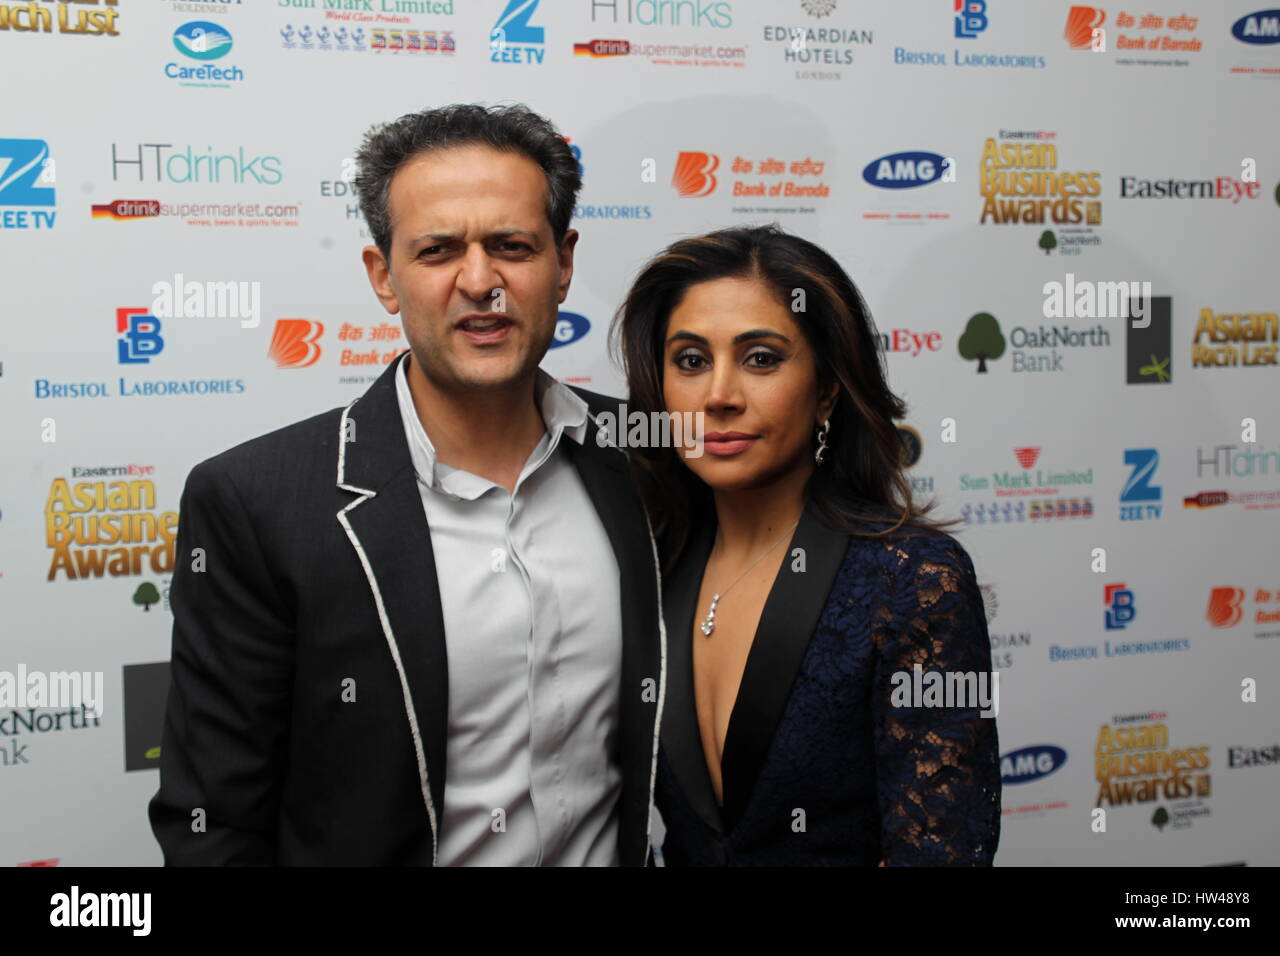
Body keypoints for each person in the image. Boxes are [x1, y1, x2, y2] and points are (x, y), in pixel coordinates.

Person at [148, 104, 666, 866]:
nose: (480, 281)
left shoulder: (652, 459)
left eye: (513, 246)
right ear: (383, 276)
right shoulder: (258, 501)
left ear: (563, 262)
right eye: (438, 250)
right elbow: (213, 822)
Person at [613, 224, 1001, 865]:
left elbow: (942, 853)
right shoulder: (648, 563)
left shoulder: (912, 581)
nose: (719, 396)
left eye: (761, 358)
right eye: (690, 360)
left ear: (826, 389)